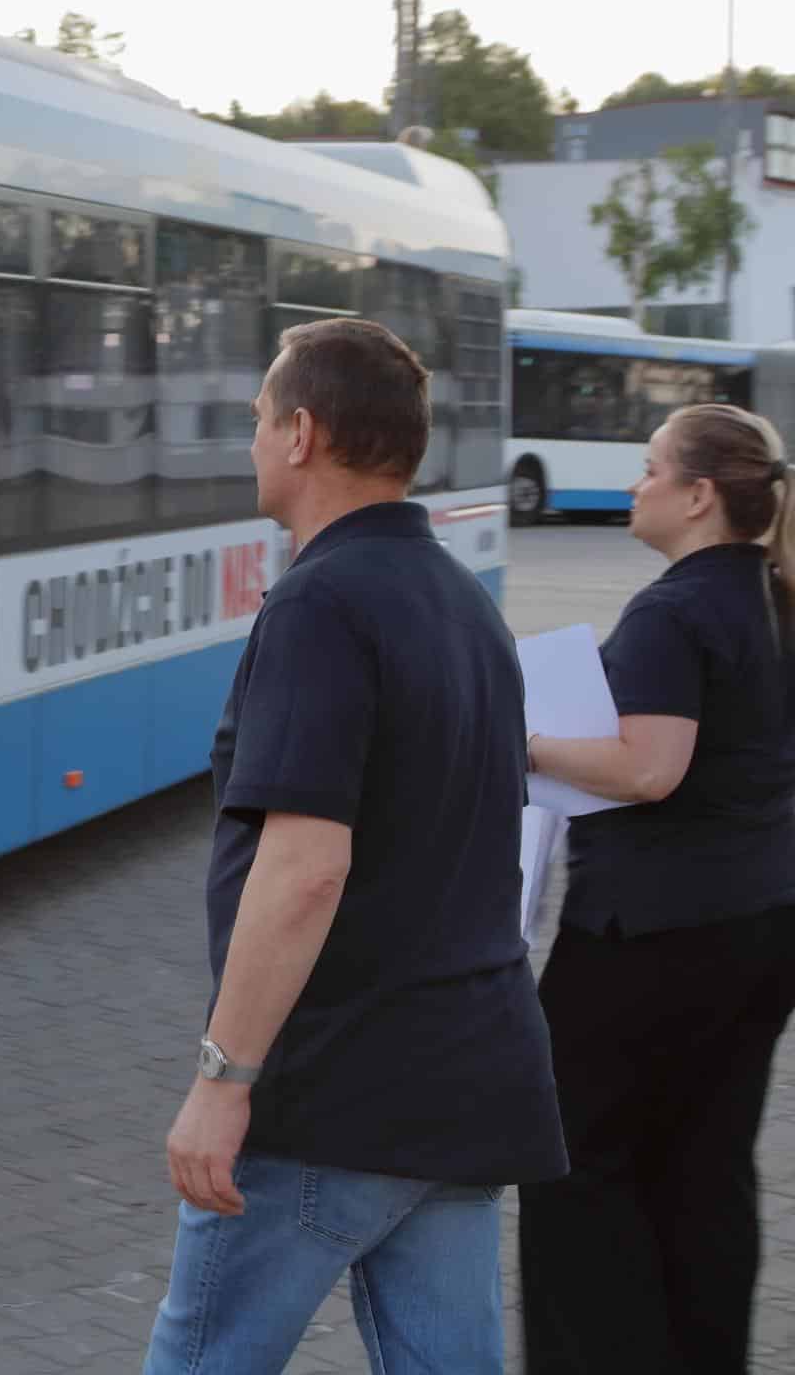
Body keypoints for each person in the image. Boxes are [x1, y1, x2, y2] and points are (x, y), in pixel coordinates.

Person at [143, 318, 564, 1374]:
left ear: (301, 434)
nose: (249, 445)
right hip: (467, 1079)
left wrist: (223, 1078)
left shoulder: (321, 602)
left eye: (255, 421)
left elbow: (305, 867)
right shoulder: (468, 604)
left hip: (337, 1094)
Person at [516, 402, 795, 1373]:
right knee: (705, 1167)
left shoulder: (678, 608)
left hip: (647, 938)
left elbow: (649, 768)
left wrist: (525, 744)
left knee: (576, 1165)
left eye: (648, 469)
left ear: (698, 494)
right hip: (759, 923)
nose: (636, 485)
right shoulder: (774, 593)